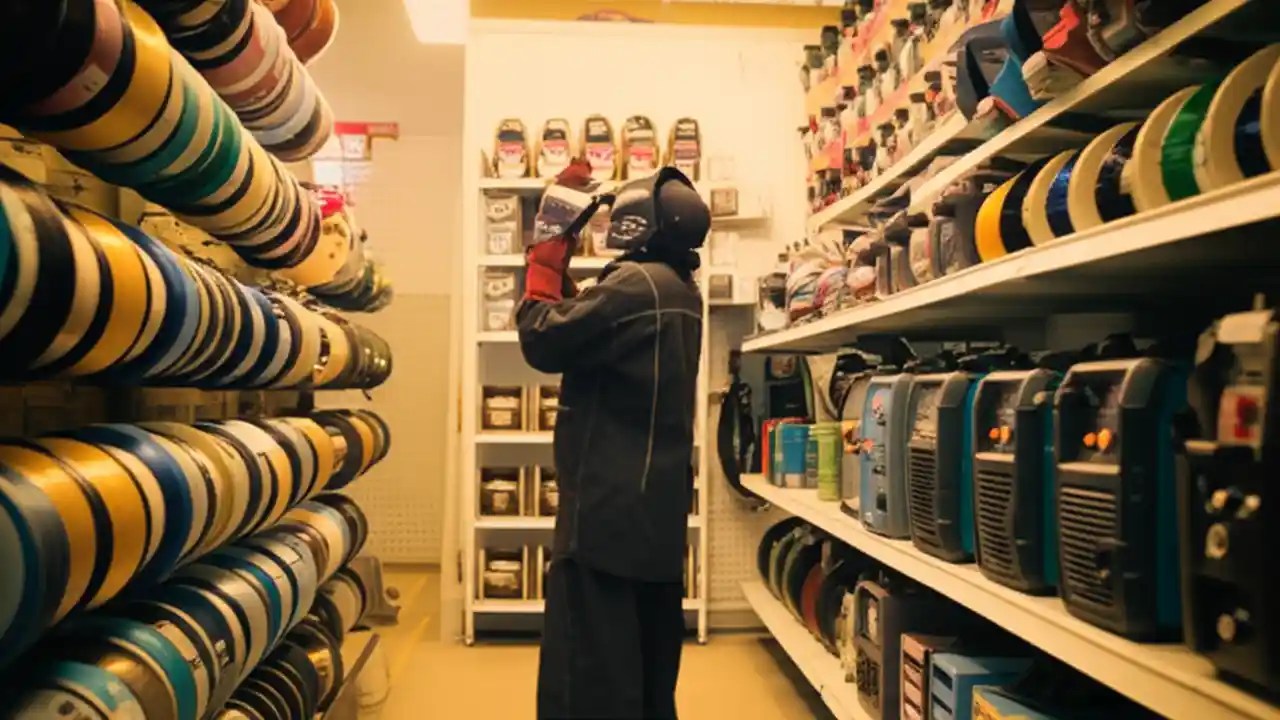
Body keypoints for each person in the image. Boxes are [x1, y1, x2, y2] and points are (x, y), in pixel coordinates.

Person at [518, 160, 710, 720]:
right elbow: (596, 329)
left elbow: (543, 340)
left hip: (603, 521)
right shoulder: (677, 290)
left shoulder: (632, 286)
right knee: (645, 675)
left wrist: (545, 257)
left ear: (634, 222)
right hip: (652, 519)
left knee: (589, 681)